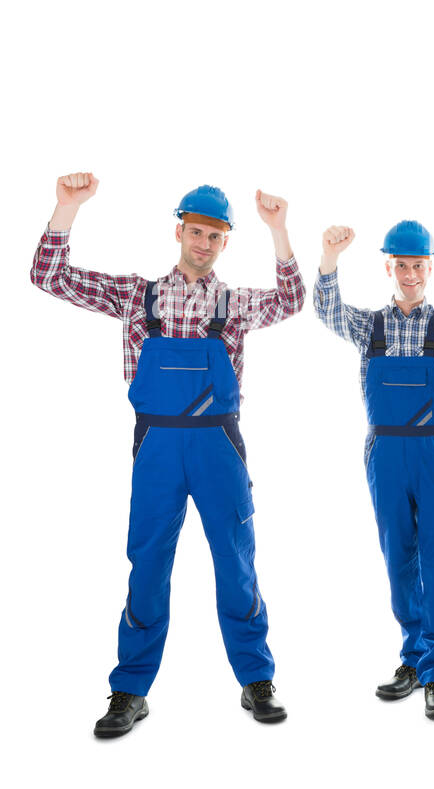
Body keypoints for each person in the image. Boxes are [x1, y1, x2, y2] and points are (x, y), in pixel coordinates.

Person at [30, 173, 305, 737]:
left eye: (215, 236)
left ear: (226, 242)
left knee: (236, 560)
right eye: (195, 231)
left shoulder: (236, 303)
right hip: (155, 445)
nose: (203, 243)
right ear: (179, 231)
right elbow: (48, 276)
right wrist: (65, 209)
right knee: (148, 564)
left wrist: (278, 230)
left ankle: (255, 678)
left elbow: (294, 298)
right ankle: (129, 689)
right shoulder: (138, 297)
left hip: (219, 447)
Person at [314, 220, 434, 720]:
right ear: (389, 267)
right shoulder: (369, 326)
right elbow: (327, 310)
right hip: (386, 454)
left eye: (419, 265)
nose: (411, 273)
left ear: (430, 268)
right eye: (402, 265)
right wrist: (330, 258)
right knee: (399, 557)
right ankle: (413, 658)